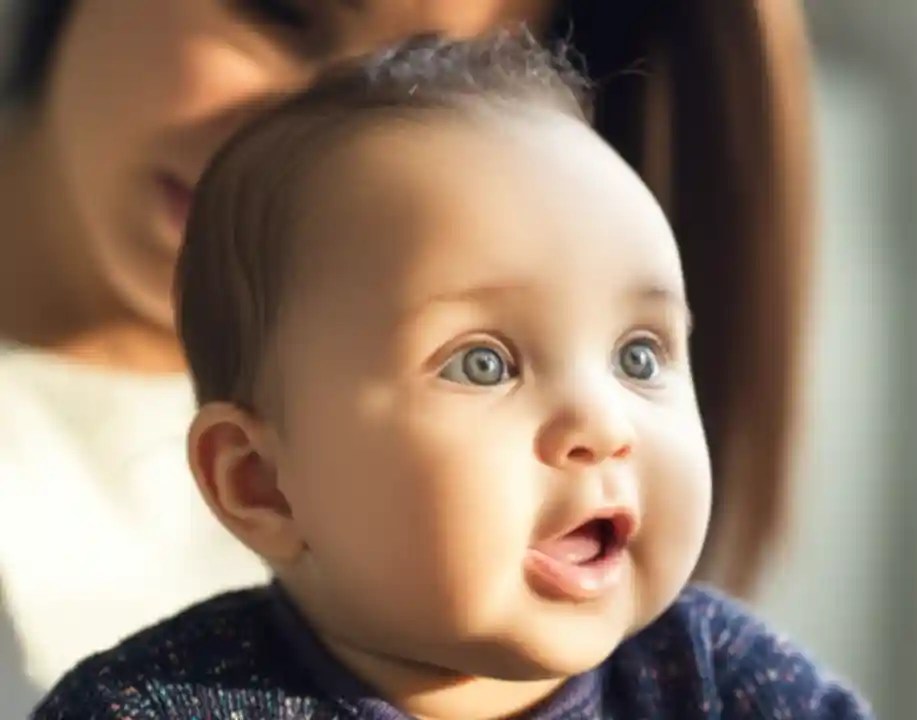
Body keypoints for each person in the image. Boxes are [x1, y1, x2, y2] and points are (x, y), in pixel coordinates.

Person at [0, 0, 814, 708]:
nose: (347, 149)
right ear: (254, 479)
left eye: (441, 78)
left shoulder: (704, 672)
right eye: (284, 12)